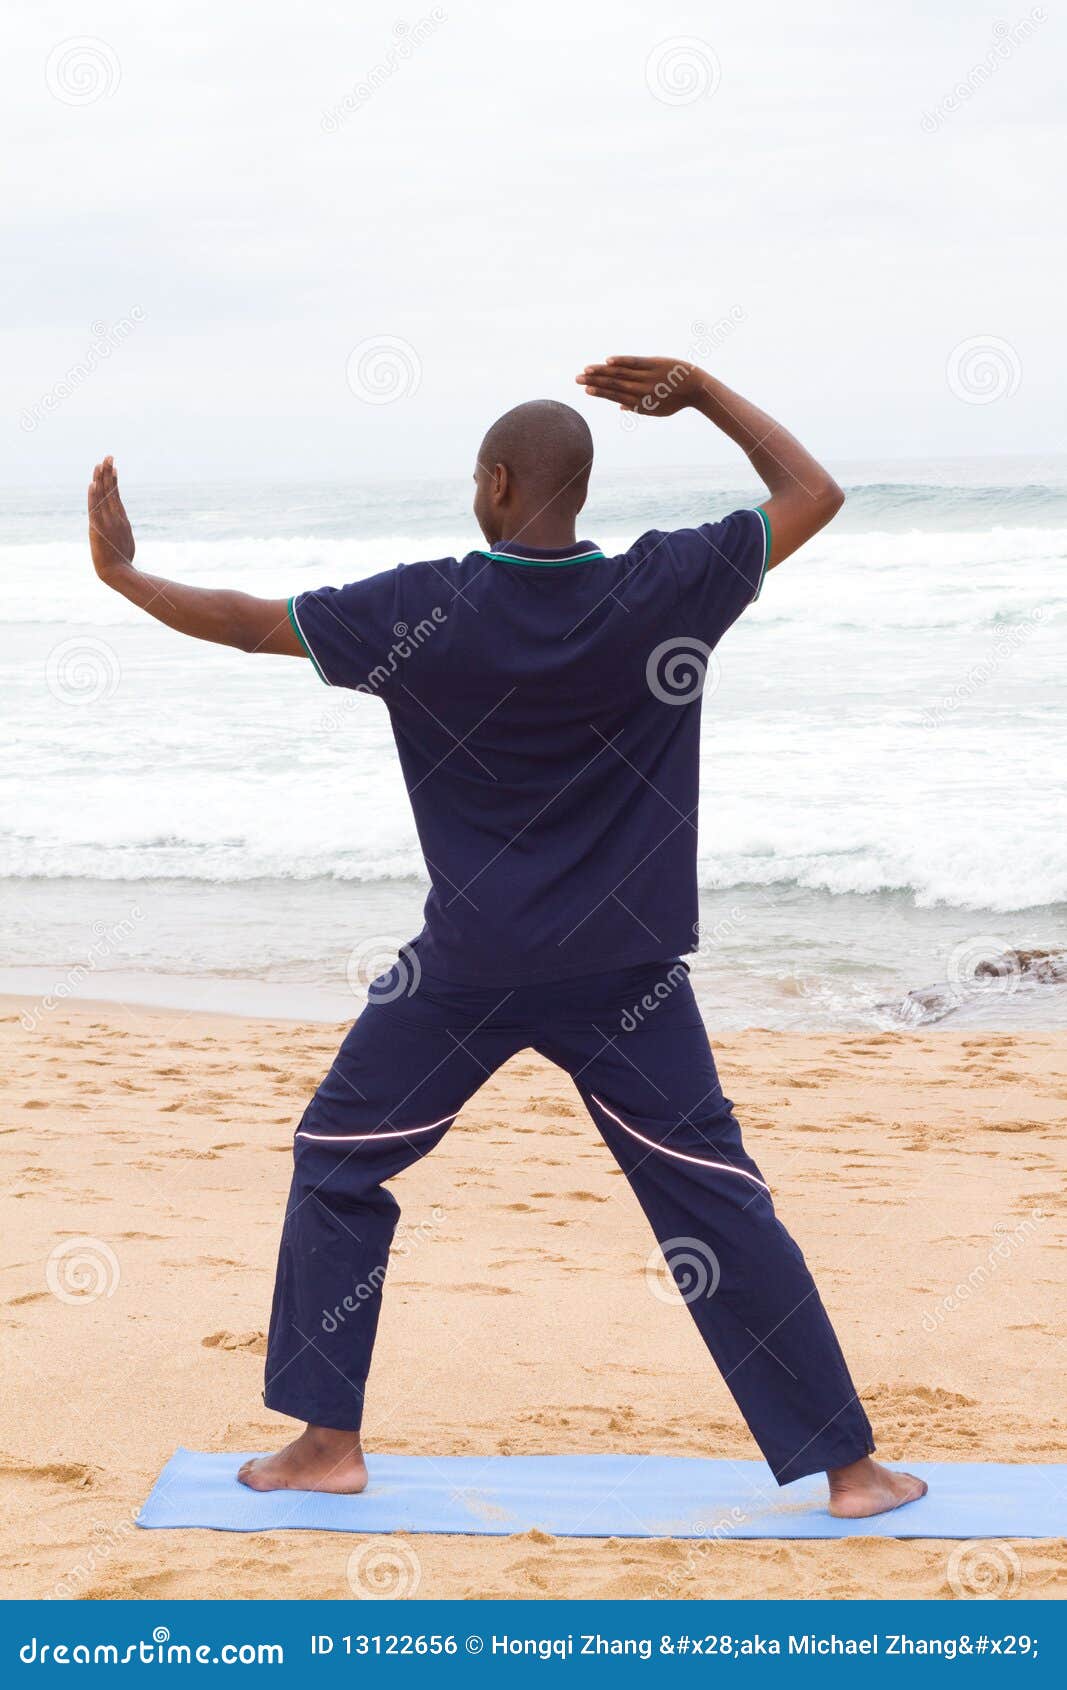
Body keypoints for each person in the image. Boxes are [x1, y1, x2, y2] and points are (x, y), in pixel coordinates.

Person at [87, 355, 927, 1518]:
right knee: (715, 1201)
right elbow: (812, 493)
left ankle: (328, 1443)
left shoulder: (418, 610)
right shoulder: (665, 585)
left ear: (492, 484)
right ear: (574, 490)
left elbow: (243, 626)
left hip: (468, 968)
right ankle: (850, 1469)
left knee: (339, 1161)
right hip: (626, 974)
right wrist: (701, 391)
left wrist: (123, 574)